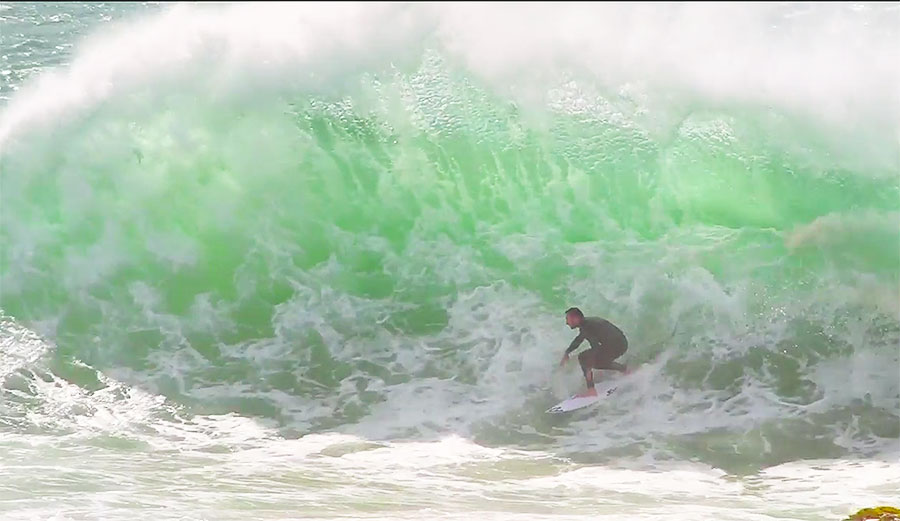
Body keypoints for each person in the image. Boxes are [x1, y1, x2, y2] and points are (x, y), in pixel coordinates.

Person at [558, 307, 629, 397]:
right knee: (596, 362)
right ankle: (625, 369)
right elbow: (579, 339)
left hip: (616, 345)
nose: (567, 323)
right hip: (621, 344)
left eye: (568, 319)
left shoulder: (588, 326)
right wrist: (567, 352)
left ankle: (591, 390)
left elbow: (595, 348)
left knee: (584, 358)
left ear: (576, 318)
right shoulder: (587, 323)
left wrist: (589, 366)